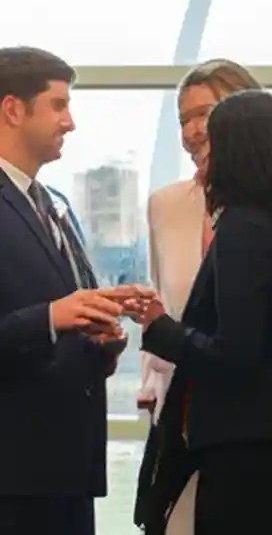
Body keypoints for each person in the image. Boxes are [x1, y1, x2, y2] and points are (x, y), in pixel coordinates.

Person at [135, 58, 272, 533]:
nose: (196, 135)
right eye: (185, 120)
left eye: (210, 123)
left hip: (241, 448)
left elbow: (235, 353)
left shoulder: (243, 227)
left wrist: (159, 328)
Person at [0, 46, 151, 534]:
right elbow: (45, 315)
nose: (70, 122)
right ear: (12, 109)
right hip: (12, 478)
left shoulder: (53, 203)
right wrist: (51, 317)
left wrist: (100, 336)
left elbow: (60, 315)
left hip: (64, 471)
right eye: (58, 105)